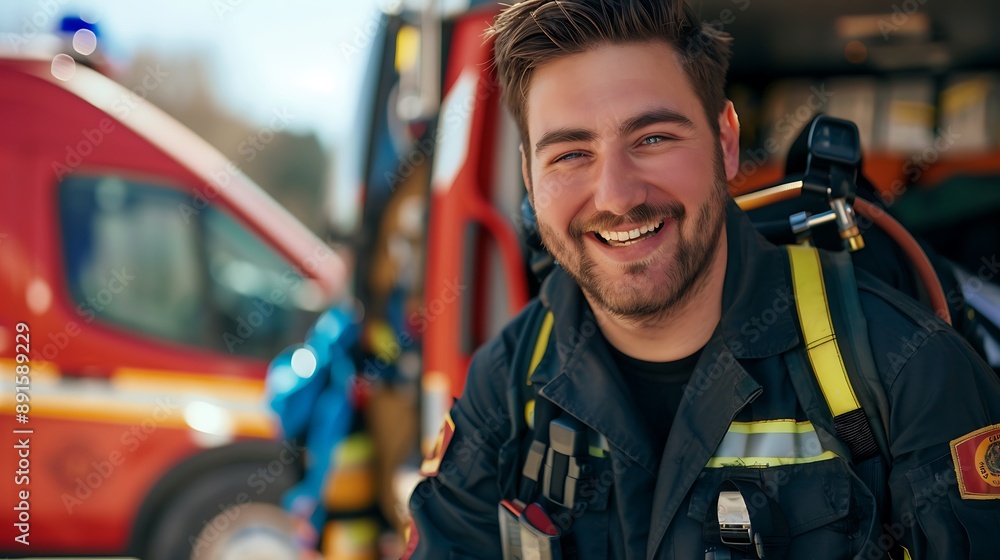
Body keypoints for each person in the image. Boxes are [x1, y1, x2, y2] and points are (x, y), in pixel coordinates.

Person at [401, 0, 1000, 558]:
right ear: (530, 179)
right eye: (570, 154)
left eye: (653, 138)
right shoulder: (509, 381)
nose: (616, 197)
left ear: (725, 142)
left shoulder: (907, 369)